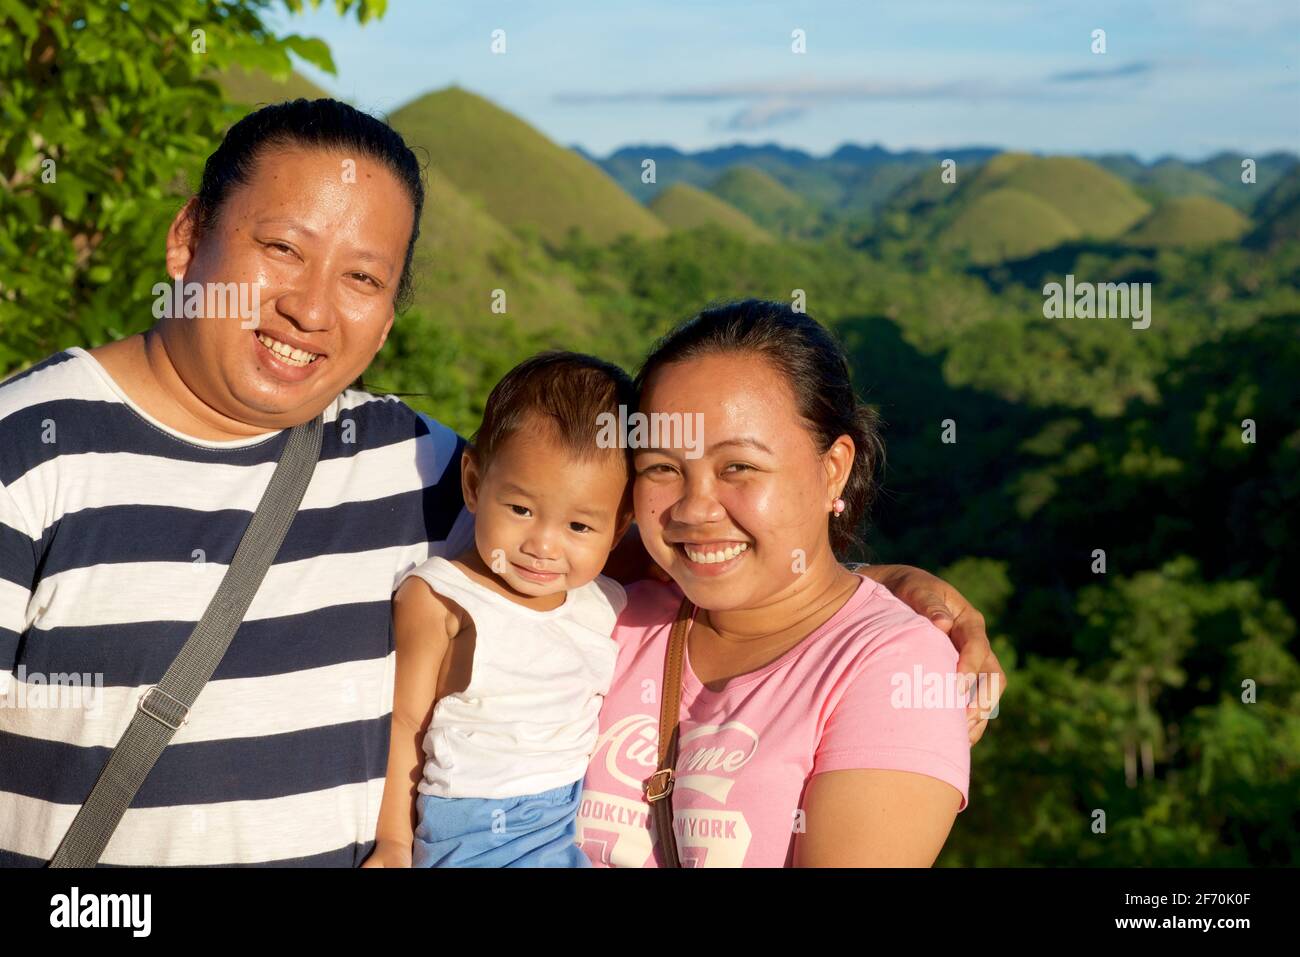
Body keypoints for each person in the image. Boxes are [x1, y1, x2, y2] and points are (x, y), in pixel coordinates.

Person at [0, 98, 1002, 867]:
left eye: (361, 277)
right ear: (188, 241)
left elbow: (685, 543)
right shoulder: (29, 454)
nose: (312, 307)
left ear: (390, 311)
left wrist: (887, 590)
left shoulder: (421, 468)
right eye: (279, 250)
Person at [576, 300, 977, 867]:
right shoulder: (605, 616)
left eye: (738, 466)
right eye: (662, 468)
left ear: (833, 467)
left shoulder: (892, 667)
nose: (695, 508)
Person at [367, 353, 636, 868]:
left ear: (618, 529)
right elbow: (403, 727)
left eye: (580, 527)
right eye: (521, 510)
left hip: (564, 821)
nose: (543, 546)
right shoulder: (443, 597)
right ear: (473, 483)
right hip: (473, 828)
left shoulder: (604, 601)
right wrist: (395, 842)